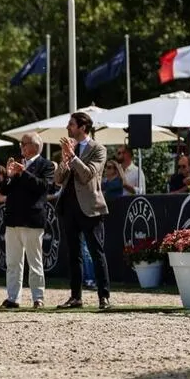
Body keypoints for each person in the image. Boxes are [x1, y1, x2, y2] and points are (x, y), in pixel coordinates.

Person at [55, 111, 112, 310]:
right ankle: (75, 297)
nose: (68, 128)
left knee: (97, 252)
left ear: (82, 127)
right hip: (68, 207)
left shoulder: (98, 149)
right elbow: (58, 179)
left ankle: (104, 296)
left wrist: (72, 156)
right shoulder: (70, 148)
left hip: (90, 207)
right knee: (73, 254)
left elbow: (88, 175)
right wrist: (64, 160)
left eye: (71, 124)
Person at [0, 133, 54, 309]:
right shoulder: (17, 165)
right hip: (13, 218)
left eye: (23, 143)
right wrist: (8, 175)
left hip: (32, 219)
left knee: (34, 261)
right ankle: (13, 297)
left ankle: (38, 297)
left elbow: (43, 187)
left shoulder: (46, 165)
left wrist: (23, 173)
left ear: (34, 146)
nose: (20, 146)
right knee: (13, 262)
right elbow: (4, 190)